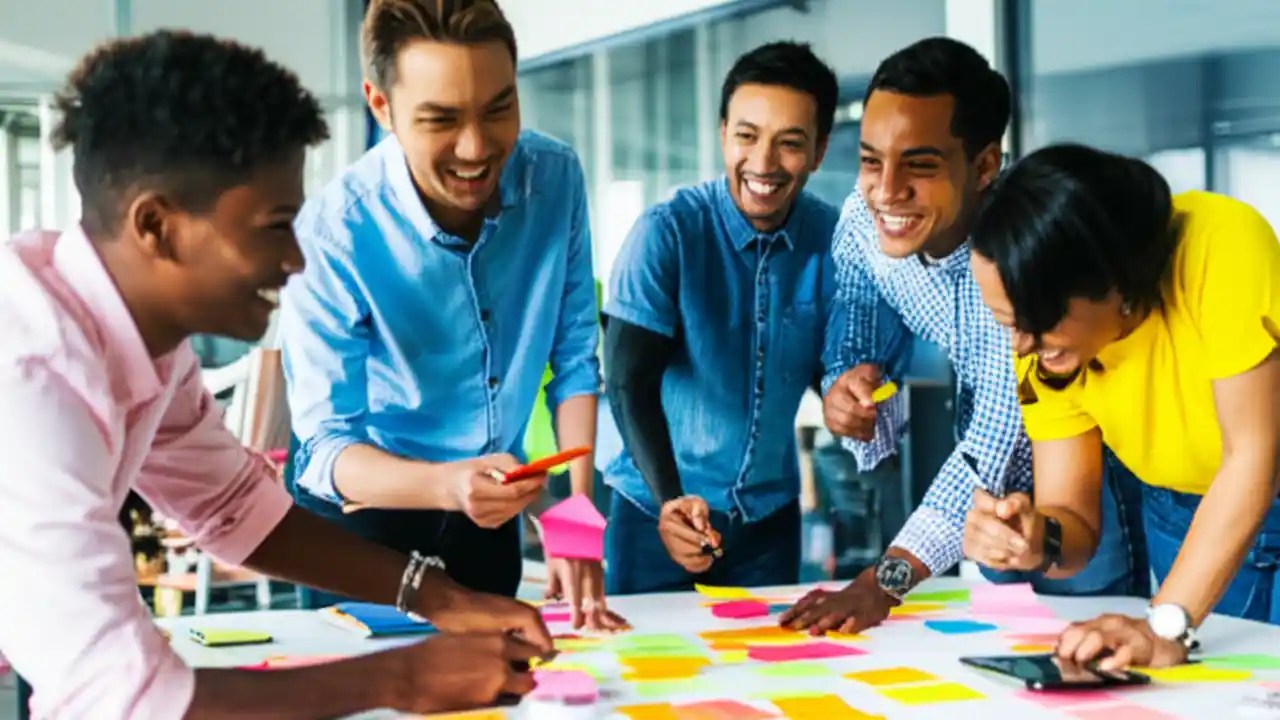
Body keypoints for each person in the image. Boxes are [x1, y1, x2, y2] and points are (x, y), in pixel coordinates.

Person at [0, 30, 553, 718]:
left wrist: (448, 600)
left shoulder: (142, 339)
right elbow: (124, 699)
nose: (296, 260)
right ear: (157, 226)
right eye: (273, 226)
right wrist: (402, 680)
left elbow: (232, 509)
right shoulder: (33, 373)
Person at [781, 37, 1149, 635]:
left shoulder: (1016, 268)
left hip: (1081, 466)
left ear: (984, 167)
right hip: (986, 481)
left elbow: (995, 444)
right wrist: (848, 382)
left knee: (1093, 642)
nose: (886, 191)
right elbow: (858, 321)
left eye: (919, 165)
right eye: (872, 160)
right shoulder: (863, 219)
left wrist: (886, 582)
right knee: (1014, 642)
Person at [279, 0, 624, 631]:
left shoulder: (555, 180)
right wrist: (446, 485)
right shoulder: (334, 234)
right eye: (440, 119)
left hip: (483, 511)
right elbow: (324, 451)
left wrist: (574, 514)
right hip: (362, 523)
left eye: (499, 109)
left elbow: (574, 360)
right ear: (380, 107)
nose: (476, 149)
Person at [965, 143, 1280, 669]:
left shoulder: (1221, 243)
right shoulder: (1038, 340)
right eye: (1006, 322)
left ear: (1114, 281)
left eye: (1036, 320)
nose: (1019, 345)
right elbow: (1078, 531)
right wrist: (1037, 538)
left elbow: (1253, 458)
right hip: (1182, 513)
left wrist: (1164, 624)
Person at [601, 41, 840, 593]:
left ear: (820, 150)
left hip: (768, 522)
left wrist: (847, 390)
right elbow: (627, 382)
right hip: (655, 516)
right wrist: (671, 505)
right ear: (722, 133)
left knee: (761, 676)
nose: (762, 163)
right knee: (653, 676)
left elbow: (830, 365)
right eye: (747, 136)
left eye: (790, 144)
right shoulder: (666, 234)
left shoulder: (831, 240)